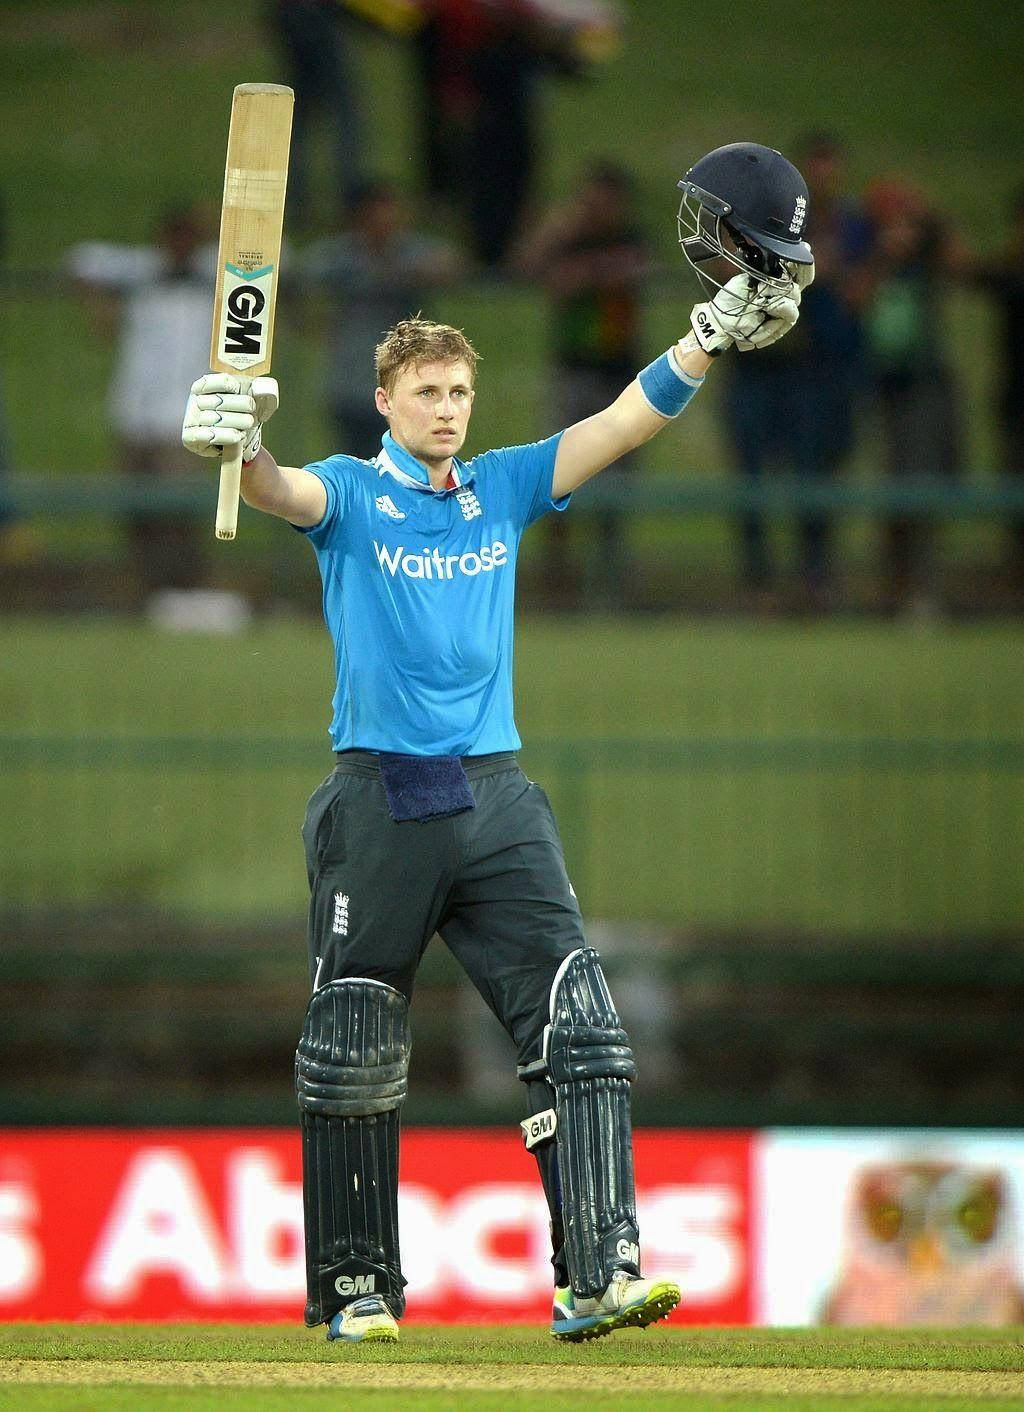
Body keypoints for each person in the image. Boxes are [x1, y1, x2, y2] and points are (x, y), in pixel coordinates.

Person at [180, 142, 810, 1345]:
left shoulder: (506, 487)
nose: (447, 409)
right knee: (356, 1041)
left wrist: (708, 340)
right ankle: (358, 1289)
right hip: (383, 795)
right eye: (427, 395)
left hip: (496, 792)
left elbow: (622, 421)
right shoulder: (353, 494)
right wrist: (236, 444)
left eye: (459, 393)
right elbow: (278, 493)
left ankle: (601, 1271)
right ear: (387, 402)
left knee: (581, 1022)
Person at [719, 132, 872, 609]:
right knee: (751, 477)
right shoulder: (766, 217)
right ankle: (757, 580)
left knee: (816, 473)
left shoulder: (852, 224)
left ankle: (814, 578)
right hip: (759, 367)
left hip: (817, 369)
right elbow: (731, 274)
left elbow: (859, 292)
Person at [513, 158, 649, 604]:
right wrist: (561, 231)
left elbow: (634, 271)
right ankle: (558, 581)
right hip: (574, 368)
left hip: (619, 371)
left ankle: (610, 580)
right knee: (558, 473)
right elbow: (527, 267)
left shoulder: (631, 239)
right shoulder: (568, 238)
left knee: (617, 478)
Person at [69, 204, 216, 604]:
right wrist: (102, 309)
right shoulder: (141, 273)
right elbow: (83, 259)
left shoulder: (214, 278)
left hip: (185, 417)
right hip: (135, 412)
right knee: (136, 511)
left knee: (180, 514)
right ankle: (145, 591)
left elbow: (278, 257)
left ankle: (183, 591)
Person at [861, 179, 970, 615]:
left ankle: (923, 588)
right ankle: (901, 586)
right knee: (900, 488)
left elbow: (962, 263)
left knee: (929, 486)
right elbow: (857, 298)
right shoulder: (873, 264)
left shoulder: (928, 263)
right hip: (891, 389)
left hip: (926, 386)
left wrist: (932, 220)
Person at [300, 178, 464, 459]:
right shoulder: (341, 257)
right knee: (356, 465)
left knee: (408, 459)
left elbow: (452, 266)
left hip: (407, 379)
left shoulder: (410, 252)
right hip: (351, 378)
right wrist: (309, 325)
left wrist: (401, 275)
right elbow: (297, 277)